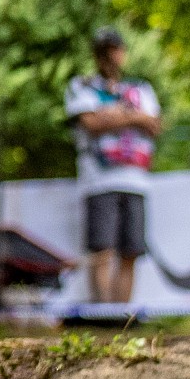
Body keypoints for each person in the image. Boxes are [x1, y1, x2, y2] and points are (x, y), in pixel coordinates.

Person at [63, 26, 162, 305]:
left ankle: (121, 316)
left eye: (115, 50)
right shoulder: (81, 86)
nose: (111, 57)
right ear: (96, 55)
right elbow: (90, 123)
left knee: (130, 250)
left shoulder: (141, 88)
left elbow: (154, 123)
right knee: (102, 248)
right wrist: (134, 117)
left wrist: (113, 115)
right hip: (98, 180)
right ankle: (103, 314)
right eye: (104, 51)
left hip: (136, 180)